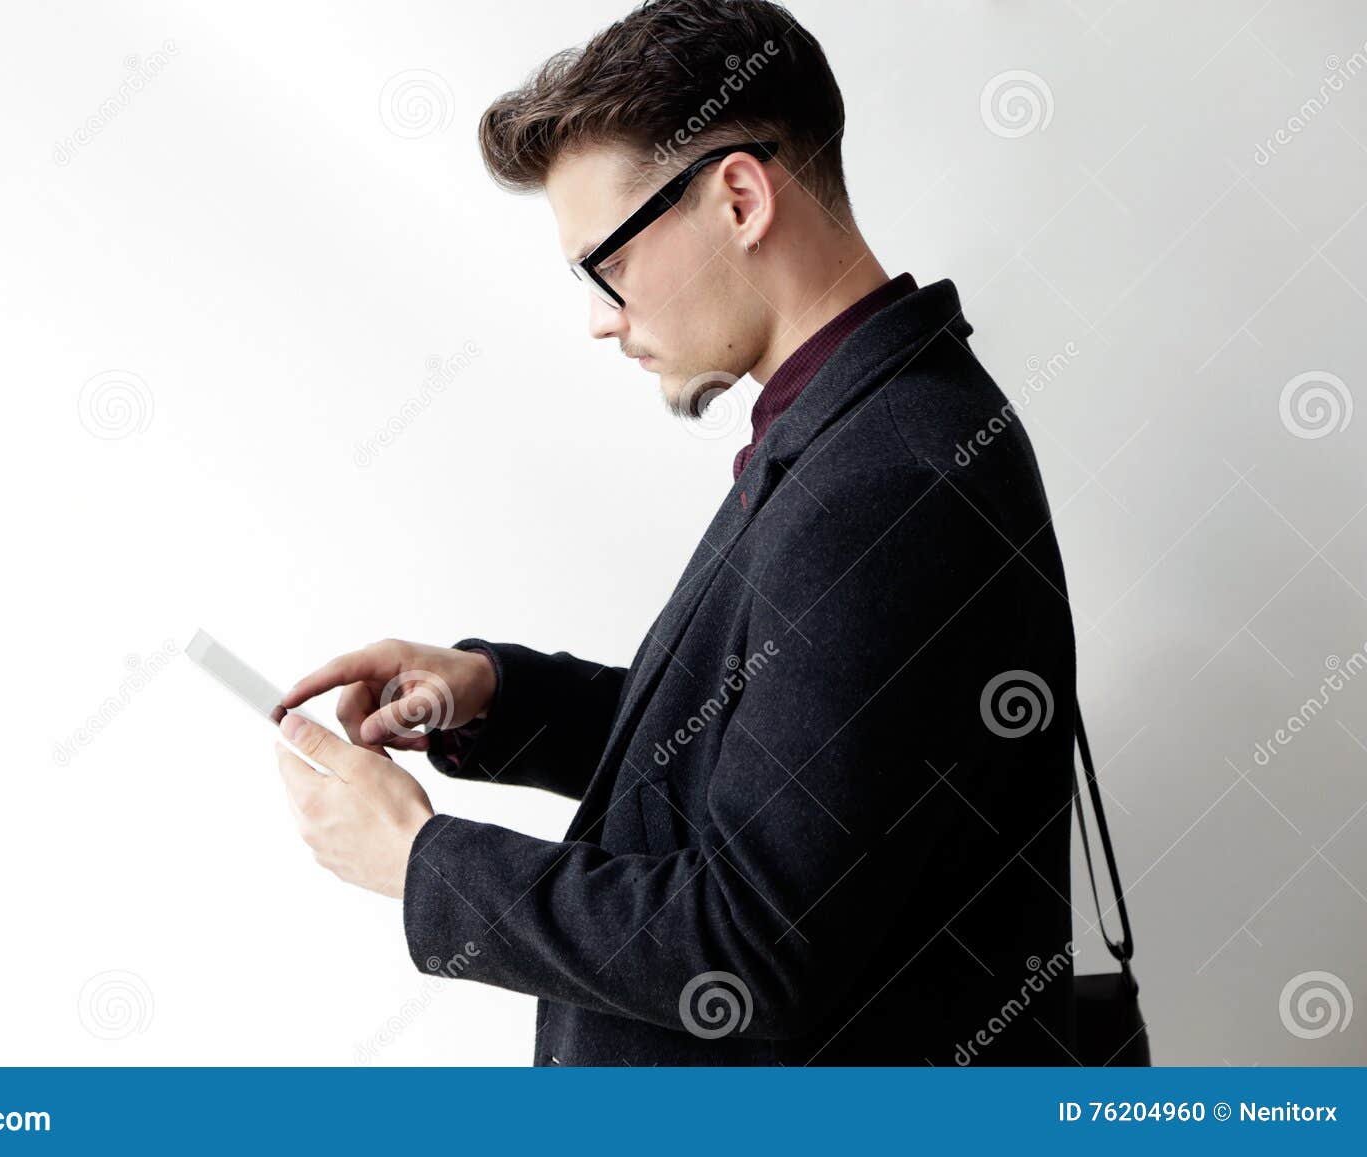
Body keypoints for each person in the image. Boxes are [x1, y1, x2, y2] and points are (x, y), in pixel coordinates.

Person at [271, 0, 1079, 1065]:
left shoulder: (887, 475)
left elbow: (753, 944)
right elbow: (761, 755)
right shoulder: (853, 424)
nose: (601, 316)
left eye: (602, 263)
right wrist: (495, 695)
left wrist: (422, 858)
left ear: (740, 197)